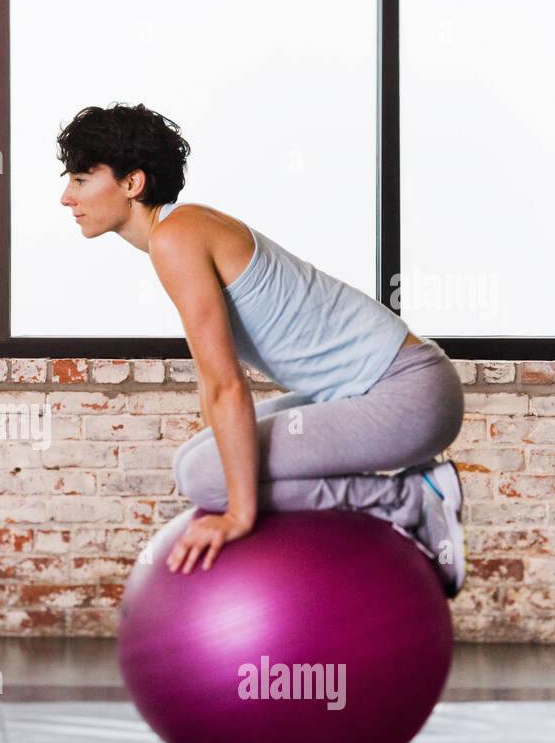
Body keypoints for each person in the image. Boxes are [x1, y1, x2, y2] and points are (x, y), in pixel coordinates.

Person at [56, 102, 467, 597]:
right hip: (379, 390)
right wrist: (232, 492)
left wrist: (239, 513)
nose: (66, 197)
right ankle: (404, 498)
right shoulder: (181, 230)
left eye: (80, 179)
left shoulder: (176, 237)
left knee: (211, 478)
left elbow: (230, 384)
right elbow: (213, 383)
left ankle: (410, 499)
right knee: (196, 465)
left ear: (131, 184)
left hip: (406, 395)